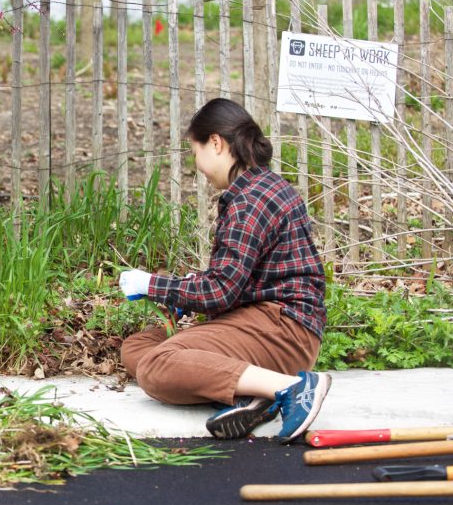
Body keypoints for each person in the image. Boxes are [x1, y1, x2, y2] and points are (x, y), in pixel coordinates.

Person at [119, 98, 330, 444]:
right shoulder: (261, 187)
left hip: (283, 330)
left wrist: (152, 284)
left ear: (216, 143)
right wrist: (186, 291)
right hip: (264, 322)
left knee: (157, 365)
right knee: (138, 348)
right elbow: (235, 278)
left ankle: (292, 388)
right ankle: (255, 394)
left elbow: (220, 292)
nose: (197, 165)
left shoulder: (250, 201)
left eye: (195, 152)